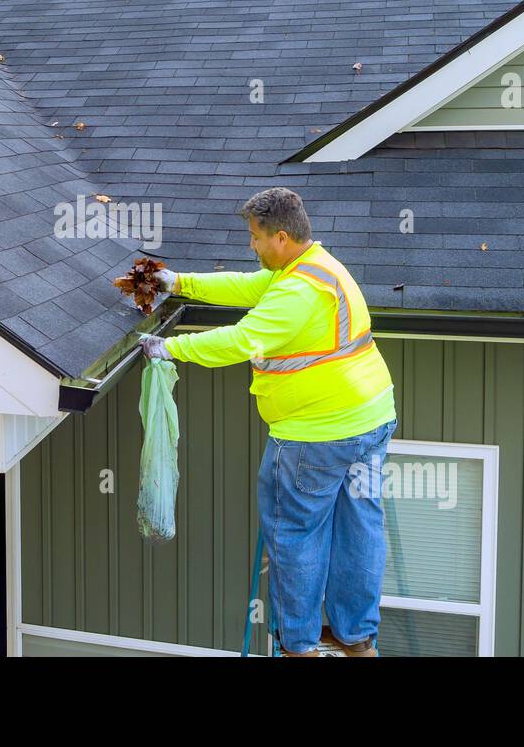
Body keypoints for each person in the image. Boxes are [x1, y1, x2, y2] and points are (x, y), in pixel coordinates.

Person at [139, 187, 397, 657]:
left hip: (315, 436)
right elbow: (245, 286)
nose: (251, 246)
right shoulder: (315, 267)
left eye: (255, 238)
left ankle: (298, 646)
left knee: (296, 534)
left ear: (280, 236)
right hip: (371, 420)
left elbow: (243, 341)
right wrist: (179, 283)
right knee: (361, 527)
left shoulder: (297, 292)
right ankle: (355, 636)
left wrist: (170, 348)